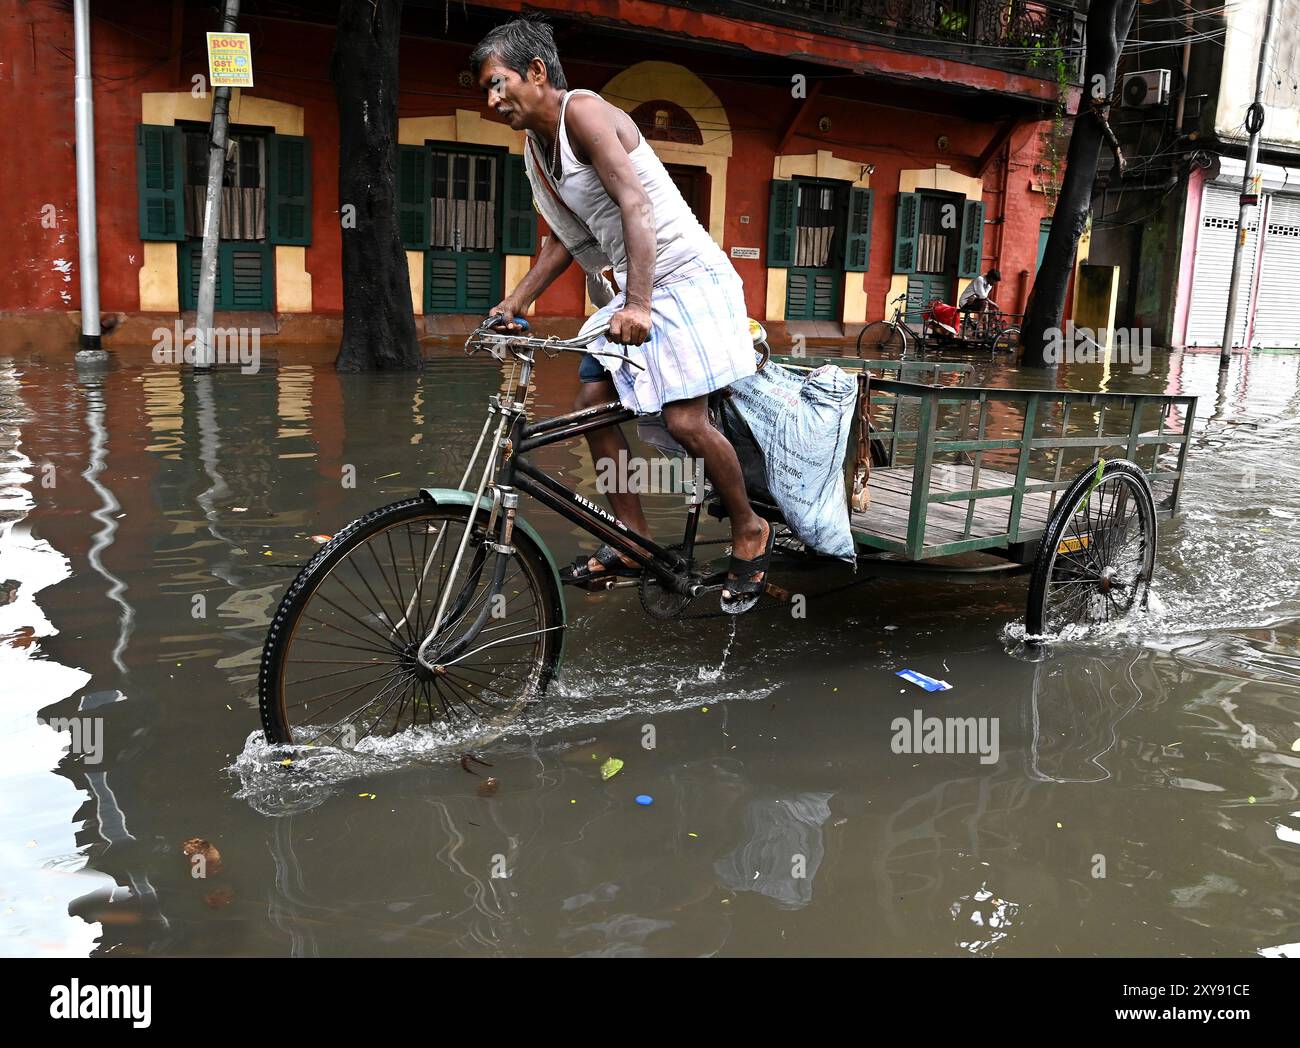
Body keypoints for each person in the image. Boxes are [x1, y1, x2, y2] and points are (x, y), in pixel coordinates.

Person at [471, 19, 774, 613]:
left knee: (686, 421)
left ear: (536, 72)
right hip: (636, 286)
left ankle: (749, 528)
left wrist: (638, 303)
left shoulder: (584, 112)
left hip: (682, 279)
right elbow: (562, 241)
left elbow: (635, 203)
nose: (491, 100)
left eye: (497, 82)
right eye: (484, 89)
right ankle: (632, 537)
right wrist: (514, 302)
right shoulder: (537, 150)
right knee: (589, 408)